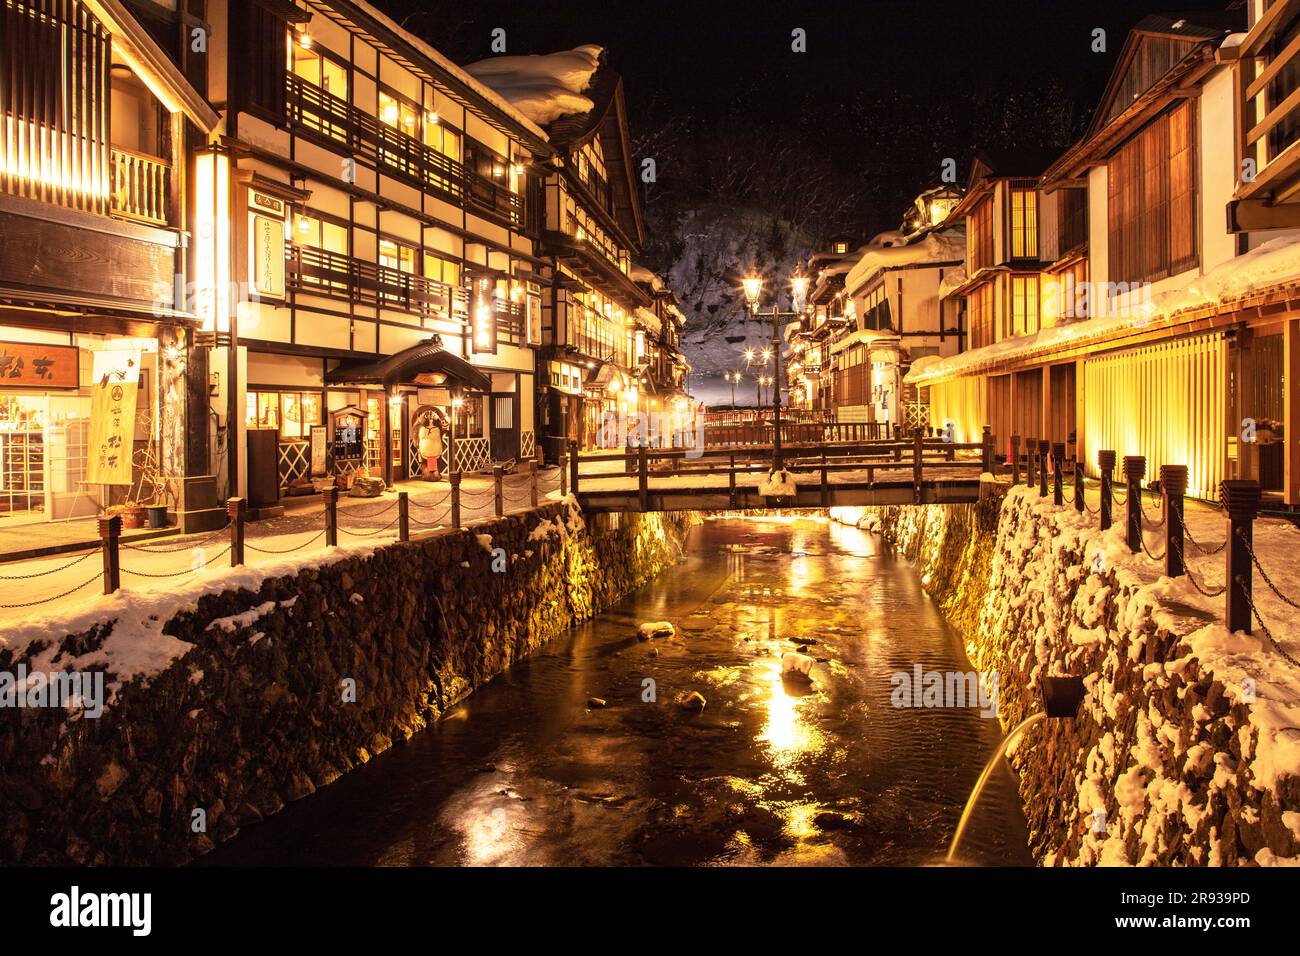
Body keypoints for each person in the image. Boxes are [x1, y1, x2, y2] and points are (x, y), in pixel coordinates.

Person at [418, 410, 446, 480]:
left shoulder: (421, 428)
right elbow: (444, 430)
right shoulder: (438, 428)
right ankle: (434, 475)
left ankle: (427, 475)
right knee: (433, 462)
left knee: (425, 463)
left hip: (425, 449)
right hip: (434, 449)